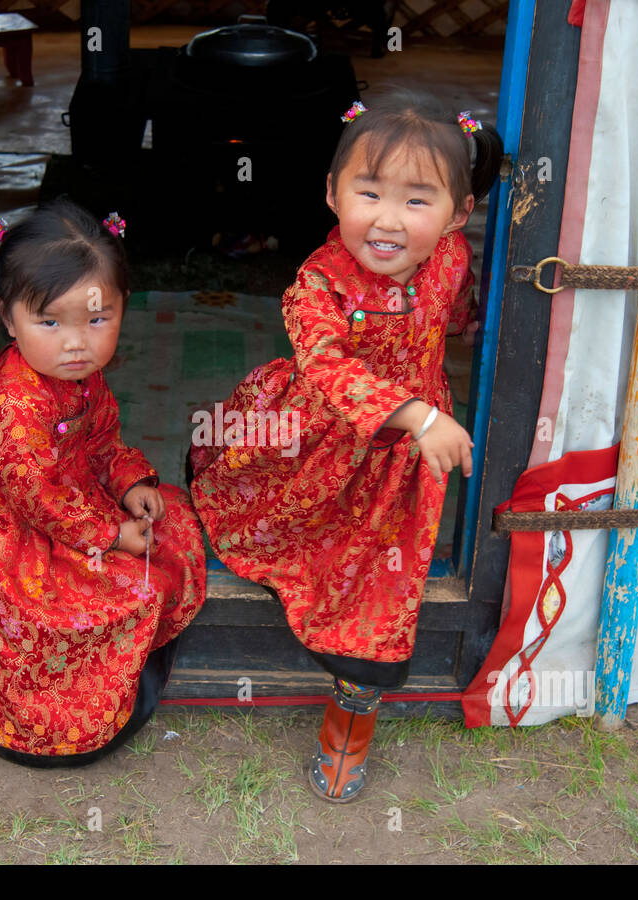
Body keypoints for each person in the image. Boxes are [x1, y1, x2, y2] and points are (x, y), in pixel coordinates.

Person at [188, 90, 502, 801]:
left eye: (417, 201)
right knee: (277, 528)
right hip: (313, 442)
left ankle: (348, 727)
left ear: (459, 214)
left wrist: (472, 333)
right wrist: (421, 417)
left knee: (381, 591)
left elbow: (454, 301)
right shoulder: (316, 287)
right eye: (368, 192)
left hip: (396, 470)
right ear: (332, 194)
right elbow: (328, 369)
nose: (388, 220)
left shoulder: (448, 256)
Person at [0, 198, 207, 766]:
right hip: (18, 528)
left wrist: (130, 483)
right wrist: (113, 534)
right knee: (91, 601)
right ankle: (52, 728)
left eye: (97, 319)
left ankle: (124, 675)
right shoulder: (7, 409)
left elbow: (102, 440)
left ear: (124, 308)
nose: (76, 342)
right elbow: (43, 504)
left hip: (75, 501)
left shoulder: (82, 376)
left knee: (171, 525)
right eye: (50, 322)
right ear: (7, 318)